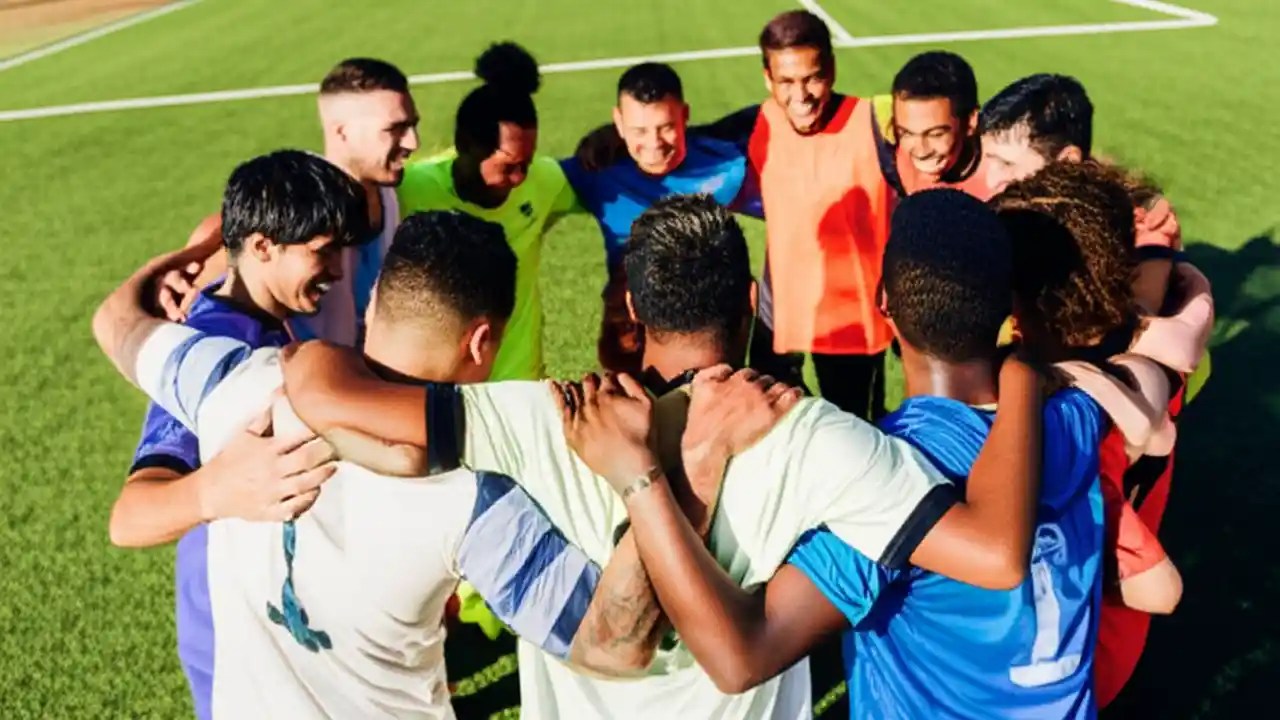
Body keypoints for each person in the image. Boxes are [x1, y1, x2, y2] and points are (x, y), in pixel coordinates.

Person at [277, 193, 1044, 719]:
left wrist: (308, 362)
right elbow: (996, 555)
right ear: (750, 301)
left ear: (635, 311)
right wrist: (1023, 372)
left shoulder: (546, 417)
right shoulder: (817, 434)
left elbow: (326, 389)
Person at [91, 210, 655, 718]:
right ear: (482, 341)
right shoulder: (473, 493)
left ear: (374, 296)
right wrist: (646, 482)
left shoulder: (238, 384)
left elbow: (116, 322)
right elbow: (612, 643)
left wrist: (192, 256)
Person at [106, 149, 369, 720]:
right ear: (261, 246)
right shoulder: (216, 346)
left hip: (281, 614)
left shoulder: (255, 310)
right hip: (236, 646)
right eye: (323, 253)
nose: (338, 271)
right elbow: (129, 517)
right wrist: (213, 490)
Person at [692, 10, 900, 419]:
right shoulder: (757, 123)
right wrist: (612, 138)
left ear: (833, 70)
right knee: (773, 423)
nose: (800, 95)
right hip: (779, 316)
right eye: (786, 81)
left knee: (857, 424)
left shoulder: (872, 122)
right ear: (768, 77)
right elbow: (682, 144)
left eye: (812, 77)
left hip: (852, 320)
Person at [158, 58, 421, 348]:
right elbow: (235, 237)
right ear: (342, 131)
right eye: (394, 129)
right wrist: (172, 269)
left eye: (412, 126)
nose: (413, 142)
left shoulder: (387, 191)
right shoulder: (297, 199)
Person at [397, 41, 578, 381]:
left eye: (527, 162)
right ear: (465, 145)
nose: (520, 177)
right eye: (509, 166)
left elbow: (610, 180)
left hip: (519, 386)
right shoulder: (410, 190)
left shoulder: (545, 181)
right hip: (437, 388)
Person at [561, 62, 750, 375]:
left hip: (710, 338)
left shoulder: (730, 169)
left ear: (685, 116)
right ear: (618, 123)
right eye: (639, 130)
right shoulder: (596, 171)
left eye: (665, 127)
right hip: (630, 336)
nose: (653, 144)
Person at [877, 50, 991, 199]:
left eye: (935, 134)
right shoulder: (883, 146)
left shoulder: (998, 183)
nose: (921, 152)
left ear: (970, 122)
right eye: (906, 133)